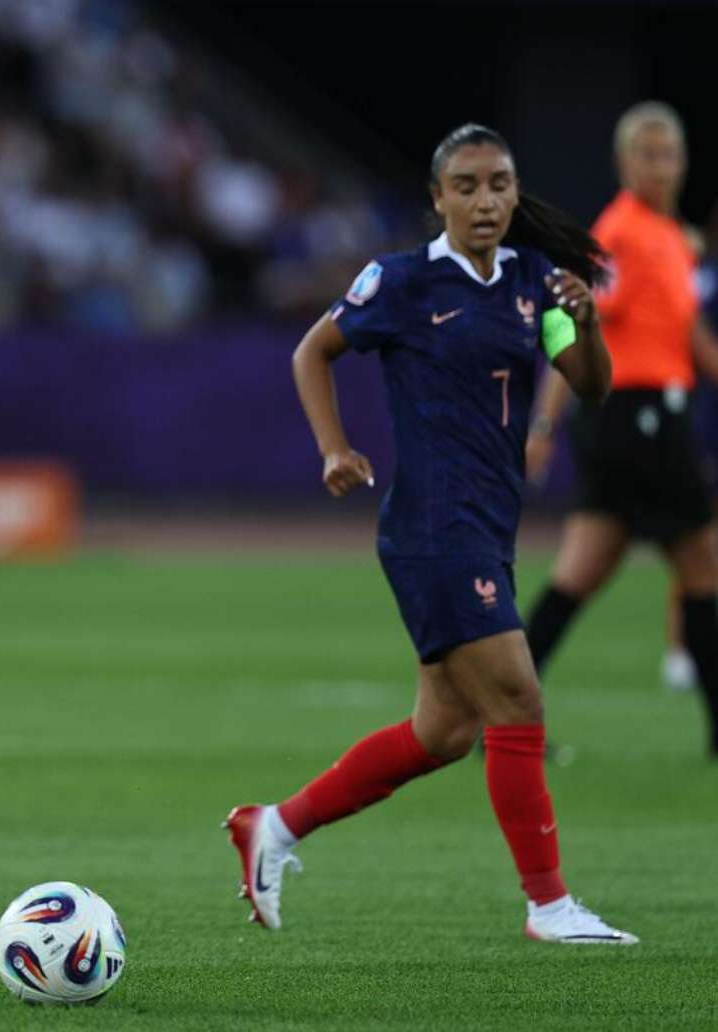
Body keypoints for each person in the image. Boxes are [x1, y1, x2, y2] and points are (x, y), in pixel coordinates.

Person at [226, 124, 638, 944]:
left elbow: (590, 387)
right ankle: (549, 906)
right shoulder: (404, 282)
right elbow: (315, 351)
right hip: (431, 528)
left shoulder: (532, 284)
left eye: (500, 184)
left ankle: (273, 826)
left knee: (444, 734)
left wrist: (585, 323)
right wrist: (334, 448)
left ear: (515, 192)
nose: (486, 201)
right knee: (519, 696)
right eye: (468, 186)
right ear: (438, 198)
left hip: (488, 527)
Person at [522, 103, 718, 753]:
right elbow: (568, 321)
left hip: (646, 418)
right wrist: (545, 418)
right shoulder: (621, 236)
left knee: (579, 573)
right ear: (623, 163)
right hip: (635, 418)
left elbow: (688, 334)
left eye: (670, 155)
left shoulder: (669, 236)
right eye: (648, 155)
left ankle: (500, 716)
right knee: (703, 564)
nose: (661, 167)